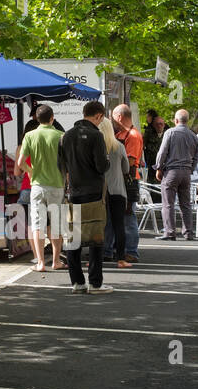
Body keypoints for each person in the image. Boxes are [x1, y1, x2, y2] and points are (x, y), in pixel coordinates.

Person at [59, 100, 113, 294]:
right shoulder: (96, 136)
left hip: (72, 192)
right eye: (101, 119)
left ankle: (77, 283)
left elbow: (61, 166)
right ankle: (95, 283)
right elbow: (101, 166)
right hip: (94, 193)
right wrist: (106, 161)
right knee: (96, 239)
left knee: (73, 239)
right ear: (98, 116)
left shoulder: (65, 136)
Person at [17, 105, 66, 273]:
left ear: (37, 119)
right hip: (57, 185)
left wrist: (31, 172)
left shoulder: (30, 136)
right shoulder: (61, 136)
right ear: (52, 117)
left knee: (38, 225)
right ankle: (56, 260)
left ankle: (40, 263)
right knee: (56, 225)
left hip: (37, 186)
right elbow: (67, 163)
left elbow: (20, 163)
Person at [155, 108, 198, 240]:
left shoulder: (170, 132)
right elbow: (197, 156)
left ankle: (170, 232)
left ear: (176, 120)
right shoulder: (193, 135)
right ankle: (188, 233)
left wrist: (158, 167)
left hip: (171, 171)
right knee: (185, 204)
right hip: (186, 172)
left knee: (168, 203)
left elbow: (162, 152)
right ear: (187, 121)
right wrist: (191, 169)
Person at [106, 104, 143, 264]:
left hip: (128, 182)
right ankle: (112, 249)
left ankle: (131, 251)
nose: (111, 120)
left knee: (128, 217)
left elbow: (130, 161)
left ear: (119, 117)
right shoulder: (121, 133)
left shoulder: (133, 135)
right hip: (119, 181)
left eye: (112, 117)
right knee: (115, 218)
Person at [98, 117, 132, 268]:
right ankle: (121, 259)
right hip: (118, 190)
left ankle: (98, 257)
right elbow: (126, 169)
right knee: (119, 225)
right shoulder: (119, 146)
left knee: (99, 225)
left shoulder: (96, 146)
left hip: (99, 191)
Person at [143, 111, 166, 178]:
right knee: (152, 186)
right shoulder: (149, 131)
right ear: (153, 125)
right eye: (157, 124)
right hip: (151, 164)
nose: (159, 126)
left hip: (164, 166)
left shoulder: (168, 133)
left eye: (161, 124)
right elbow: (143, 145)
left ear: (164, 125)